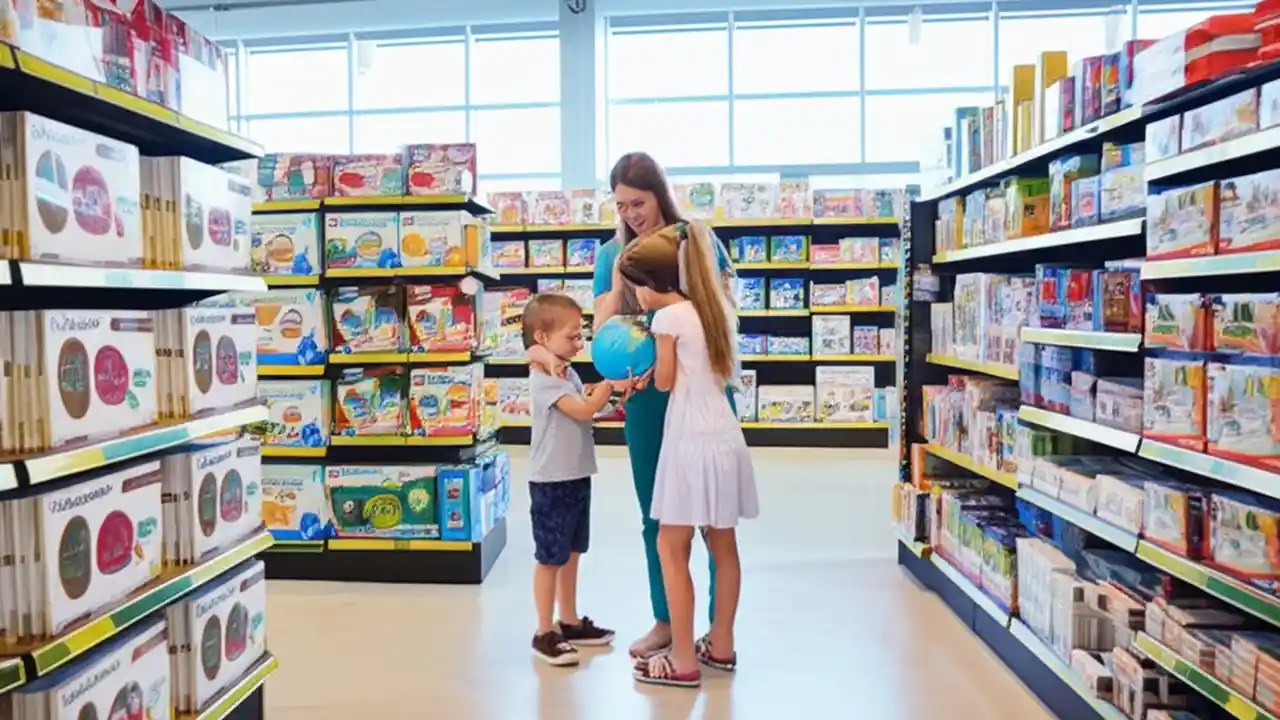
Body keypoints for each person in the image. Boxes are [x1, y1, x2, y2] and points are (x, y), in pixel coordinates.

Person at [618, 223, 758, 688]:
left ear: (652, 285)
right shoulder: (714, 307)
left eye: (635, 285)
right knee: (723, 546)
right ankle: (721, 644)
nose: (634, 295)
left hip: (689, 443)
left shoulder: (667, 319)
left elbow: (664, 381)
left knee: (670, 547)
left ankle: (681, 659)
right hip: (724, 438)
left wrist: (638, 376)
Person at [523, 293, 628, 666]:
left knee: (572, 552)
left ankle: (568, 619)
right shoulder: (544, 379)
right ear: (541, 338)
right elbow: (582, 410)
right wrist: (604, 392)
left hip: (577, 473)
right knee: (550, 557)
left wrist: (603, 392)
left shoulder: (564, 371)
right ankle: (543, 629)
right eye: (571, 336)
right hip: (552, 480)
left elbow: (581, 400)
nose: (578, 343)